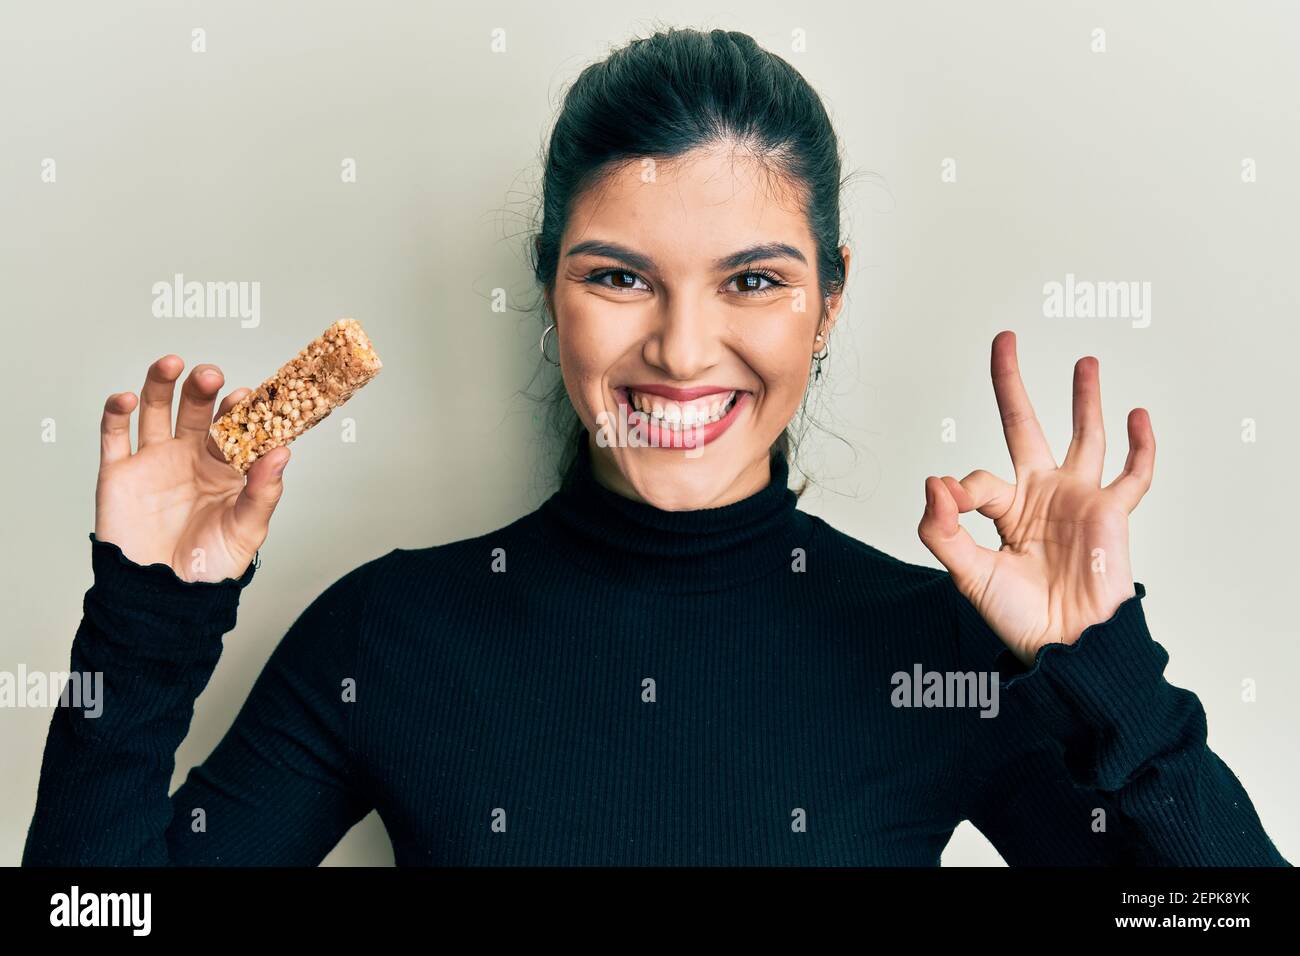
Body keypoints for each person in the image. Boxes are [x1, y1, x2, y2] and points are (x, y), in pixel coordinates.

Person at [23, 27, 1289, 866]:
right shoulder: (389, 635)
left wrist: (1104, 668)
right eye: (621, 276)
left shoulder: (941, 652)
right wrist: (145, 616)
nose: (682, 352)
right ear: (550, 286)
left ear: (828, 302)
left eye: (752, 280)